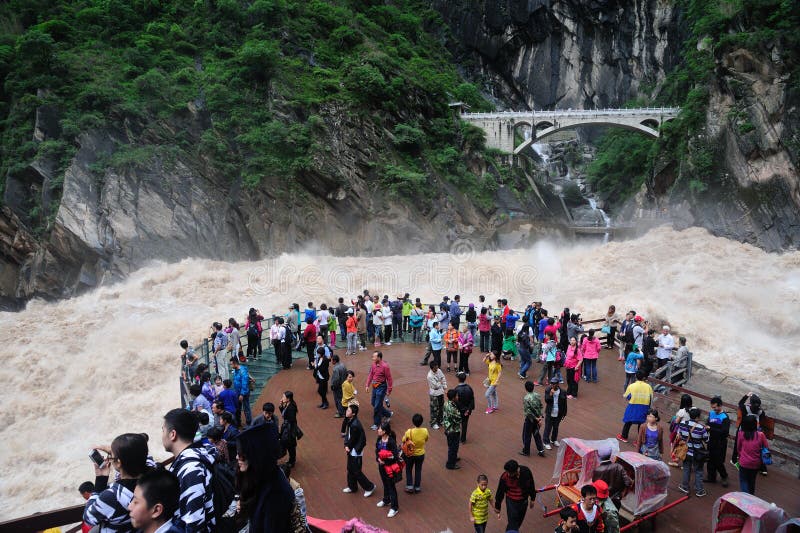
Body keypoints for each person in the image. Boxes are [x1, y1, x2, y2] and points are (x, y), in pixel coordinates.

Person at [161, 408, 216, 532]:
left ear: (172, 434)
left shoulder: (190, 469)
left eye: (163, 430)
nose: (162, 434)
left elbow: (194, 523)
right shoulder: (193, 457)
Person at [235, 423, 295, 532]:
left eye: (241, 455)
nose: (237, 457)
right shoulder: (263, 475)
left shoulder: (277, 493)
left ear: (256, 457)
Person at [84, 433, 149, 533]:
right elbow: (139, 454)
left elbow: (88, 518)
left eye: (111, 455)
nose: (109, 457)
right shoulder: (153, 474)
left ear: (119, 462)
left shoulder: (113, 496)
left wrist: (100, 479)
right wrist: (116, 451)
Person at [342, 404, 377, 498]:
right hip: (352, 449)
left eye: (348, 411)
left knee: (356, 470)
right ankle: (352, 486)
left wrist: (347, 446)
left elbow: (353, 439)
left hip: (355, 450)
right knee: (350, 468)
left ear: (353, 414)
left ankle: (369, 487)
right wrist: (347, 445)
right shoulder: (351, 421)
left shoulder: (355, 425)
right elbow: (349, 436)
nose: (346, 411)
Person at [494, 459, 536, 532]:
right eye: (507, 472)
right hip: (511, 502)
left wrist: (533, 498)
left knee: (518, 522)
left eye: (510, 473)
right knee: (512, 522)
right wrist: (498, 506)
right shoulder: (504, 477)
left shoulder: (526, 471)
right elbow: (500, 492)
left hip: (523, 501)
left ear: (517, 470)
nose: (508, 474)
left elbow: (531, 485)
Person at [675, 407, 709, 497]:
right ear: (698, 417)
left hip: (686, 451)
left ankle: (684, 486)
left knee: (686, 469)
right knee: (698, 471)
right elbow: (706, 440)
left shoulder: (682, 423)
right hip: (697, 453)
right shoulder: (701, 428)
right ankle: (699, 490)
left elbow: (680, 434)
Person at [736, 415, 769, 495]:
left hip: (744, 462)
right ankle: (751, 496)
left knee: (743, 480)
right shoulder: (761, 435)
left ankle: (745, 497)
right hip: (756, 463)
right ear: (755, 424)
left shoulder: (741, 434)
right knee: (752, 481)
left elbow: (738, 448)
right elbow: (766, 447)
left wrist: (741, 456)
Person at [617, 371, 653, 443]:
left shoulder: (632, 386)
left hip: (633, 406)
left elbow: (627, 396)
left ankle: (624, 436)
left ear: (636, 377)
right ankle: (639, 441)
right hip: (644, 407)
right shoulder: (648, 387)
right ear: (644, 378)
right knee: (641, 424)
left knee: (628, 421)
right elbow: (651, 398)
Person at [374, 422, 400, 518]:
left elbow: (395, 456)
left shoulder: (391, 442)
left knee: (391, 486)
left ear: (384, 431)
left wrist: (386, 460)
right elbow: (377, 451)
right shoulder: (379, 439)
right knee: (385, 483)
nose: (378, 430)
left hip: (389, 468)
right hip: (381, 466)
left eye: (380, 429)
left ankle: (394, 507)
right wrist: (378, 459)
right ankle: (386, 499)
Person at [365, 351, 393, 430]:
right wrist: (367, 385)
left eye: (374, 357)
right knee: (373, 403)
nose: (372, 358)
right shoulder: (373, 365)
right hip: (374, 386)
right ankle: (387, 414)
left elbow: (389, 378)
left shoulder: (385, 366)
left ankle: (376, 423)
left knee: (377, 406)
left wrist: (389, 390)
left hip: (381, 387)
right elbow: (370, 375)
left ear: (379, 357)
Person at [706, 395, 730, 487]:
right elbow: (708, 423)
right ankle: (711, 477)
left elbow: (724, 432)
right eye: (712, 407)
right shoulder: (711, 413)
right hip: (711, 440)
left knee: (718, 461)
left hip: (720, 442)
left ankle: (724, 476)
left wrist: (710, 428)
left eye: (715, 407)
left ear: (720, 406)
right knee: (710, 459)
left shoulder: (725, 417)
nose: (714, 409)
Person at [402, 413, 429, 494]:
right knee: (418, 470)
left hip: (410, 454)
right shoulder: (425, 431)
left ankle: (409, 486)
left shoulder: (409, 432)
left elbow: (403, 440)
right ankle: (417, 487)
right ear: (421, 422)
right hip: (420, 454)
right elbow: (426, 439)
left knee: (409, 469)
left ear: (413, 422)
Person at [521, 380, 545, 457]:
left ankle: (526, 451)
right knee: (536, 434)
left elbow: (528, 411)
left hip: (530, 419)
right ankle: (541, 450)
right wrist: (540, 417)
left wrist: (535, 418)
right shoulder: (537, 395)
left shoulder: (526, 398)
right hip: (537, 417)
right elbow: (540, 406)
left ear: (526, 388)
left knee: (526, 435)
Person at [668, 394, 693, 466]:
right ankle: (685, 463)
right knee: (686, 446)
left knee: (676, 445)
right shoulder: (693, 409)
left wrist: (675, 417)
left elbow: (677, 421)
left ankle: (675, 460)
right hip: (689, 431)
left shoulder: (682, 411)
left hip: (680, 431)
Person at [543, 377, 567, 450]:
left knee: (556, 427)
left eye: (554, 384)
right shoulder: (548, 390)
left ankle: (553, 440)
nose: (552, 385)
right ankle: (546, 442)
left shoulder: (563, 391)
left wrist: (564, 413)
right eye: (552, 383)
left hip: (558, 413)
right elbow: (546, 401)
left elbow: (565, 403)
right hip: (550, 412)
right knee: (548, 427)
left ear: (557, 384)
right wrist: (550, 395)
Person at [443, 389, 462, 470]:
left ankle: (453, 458)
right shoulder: (452, 408)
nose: (458, 397)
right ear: (453, 398)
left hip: (448, 428)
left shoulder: (446, 403)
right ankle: (450, 464)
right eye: (456, 396)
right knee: (453, 447)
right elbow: (459, 419)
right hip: (453, 430)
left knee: (452, 446)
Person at [279, 391, 299, 467]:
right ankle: (291, 459)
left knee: (291, 445)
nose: (282, 398)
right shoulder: (287, 404)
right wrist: (281, 406)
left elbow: (291, 419)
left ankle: (292, 461)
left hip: (290, 429)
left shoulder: (291, 407)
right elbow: (284, 414)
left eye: (284, 397)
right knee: (290, 445)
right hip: (287, 427)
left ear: (288, 398)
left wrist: (286, 425)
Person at [230, 357, 251, 426]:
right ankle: (238, 422)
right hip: (237, 392)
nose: (231, 366)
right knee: (238, 408)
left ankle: (248, 422)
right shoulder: (236, 370)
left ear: (235, 364)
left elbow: (244, 383)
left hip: (244, 393)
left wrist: (242, 394)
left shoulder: (242, 371)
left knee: (246, 407)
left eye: (231, 364)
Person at [455, 372, 475, 443]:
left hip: (459, 410)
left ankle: (456, 437)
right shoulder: (469, 388)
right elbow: (472, 399)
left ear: (458, 379)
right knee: (464, 423)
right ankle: (463, 439)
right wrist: (468, 409)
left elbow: (456, 401)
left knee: (456, 423)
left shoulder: (457, 389)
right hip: (467, 410)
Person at [427, 361, 447, 429]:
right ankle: (433, 423)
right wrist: (440, 383)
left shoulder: (439, 370)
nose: (437, 369)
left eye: (437, 367)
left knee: (441, 407)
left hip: (441, 392)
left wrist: (444, 386)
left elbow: (443, 378)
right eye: (435, 368)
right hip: (434, 394)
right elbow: (435, 386)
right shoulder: (430, 376)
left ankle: (440, 420)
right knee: (434, 408)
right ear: (432, 368)